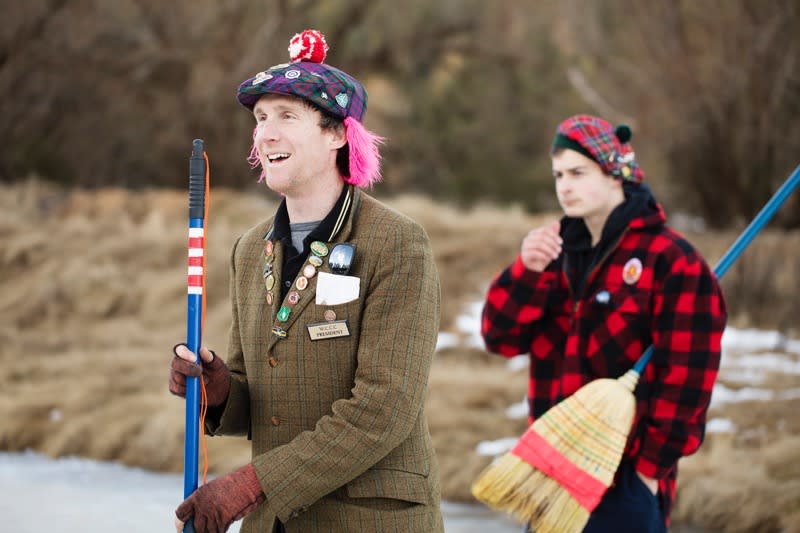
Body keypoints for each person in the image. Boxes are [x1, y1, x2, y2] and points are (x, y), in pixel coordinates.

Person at [169, 29, 443, 533]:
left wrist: (253, 484)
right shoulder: (251, 250)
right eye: (260, 118)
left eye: (287, 117)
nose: (266, 134)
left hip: (370, 522)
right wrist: (222, 390)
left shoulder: (398, 244)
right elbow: (261, 394)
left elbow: (385, 409)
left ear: (338, 133)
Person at [480, 114, 727, 532]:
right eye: (558, 174)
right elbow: (499, 337)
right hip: (553, 468)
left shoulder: (671, 260)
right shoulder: (553, 251)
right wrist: (527, 270)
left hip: (625, 475)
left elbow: (688, 379)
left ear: (616, 174)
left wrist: (648, 473)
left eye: (578, 172)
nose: (565, 186)